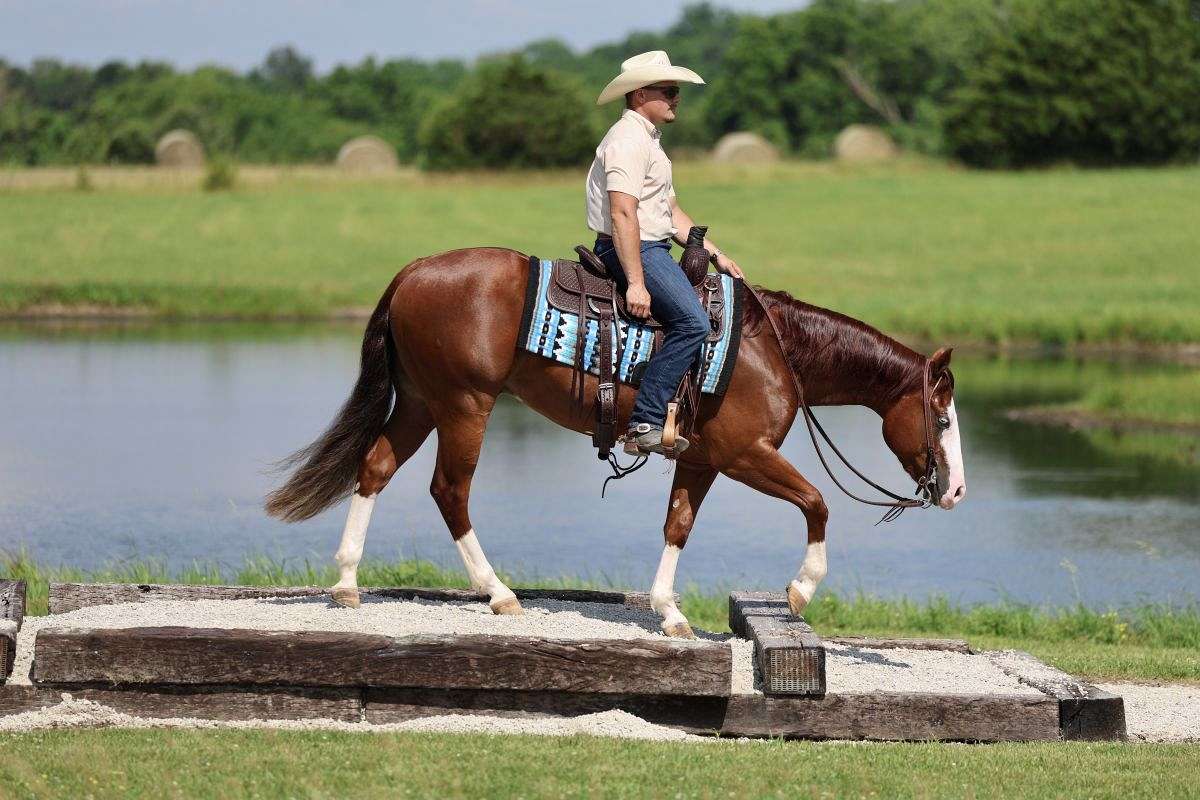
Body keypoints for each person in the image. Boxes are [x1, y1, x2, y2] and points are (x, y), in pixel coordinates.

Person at [586, 51, 744, 456]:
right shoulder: (627, 141)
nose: (677, 98)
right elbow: (623, 212)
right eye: (669, 91)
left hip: (650, 244)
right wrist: (636, 282)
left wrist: (715, 254)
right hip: (635, 249)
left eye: (677, 92)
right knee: (692, 323)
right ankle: (645, 421)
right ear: (640, 95)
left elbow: (671, 213)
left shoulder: (648, 141)